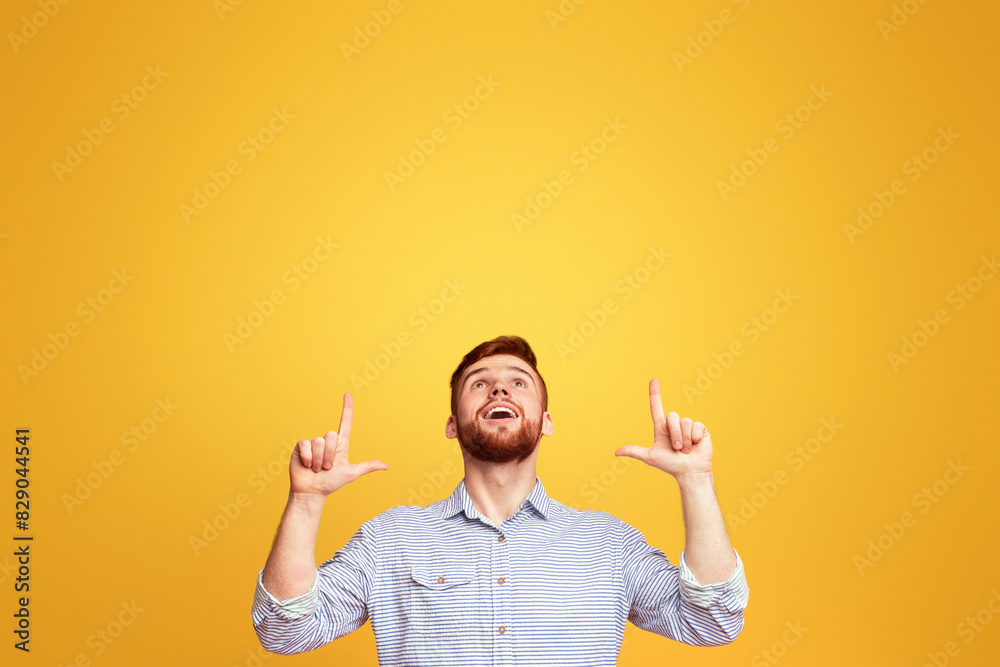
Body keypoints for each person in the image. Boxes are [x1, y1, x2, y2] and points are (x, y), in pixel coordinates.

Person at [252, 335, 749, 665]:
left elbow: (713, 621)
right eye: (480, 384)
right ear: (452, 424)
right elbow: (284, 633)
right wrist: (307, 500)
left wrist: (696, 481)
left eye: (517, 383)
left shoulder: (609, 544)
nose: (498, 390)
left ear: (546, 421)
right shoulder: (391, 539)